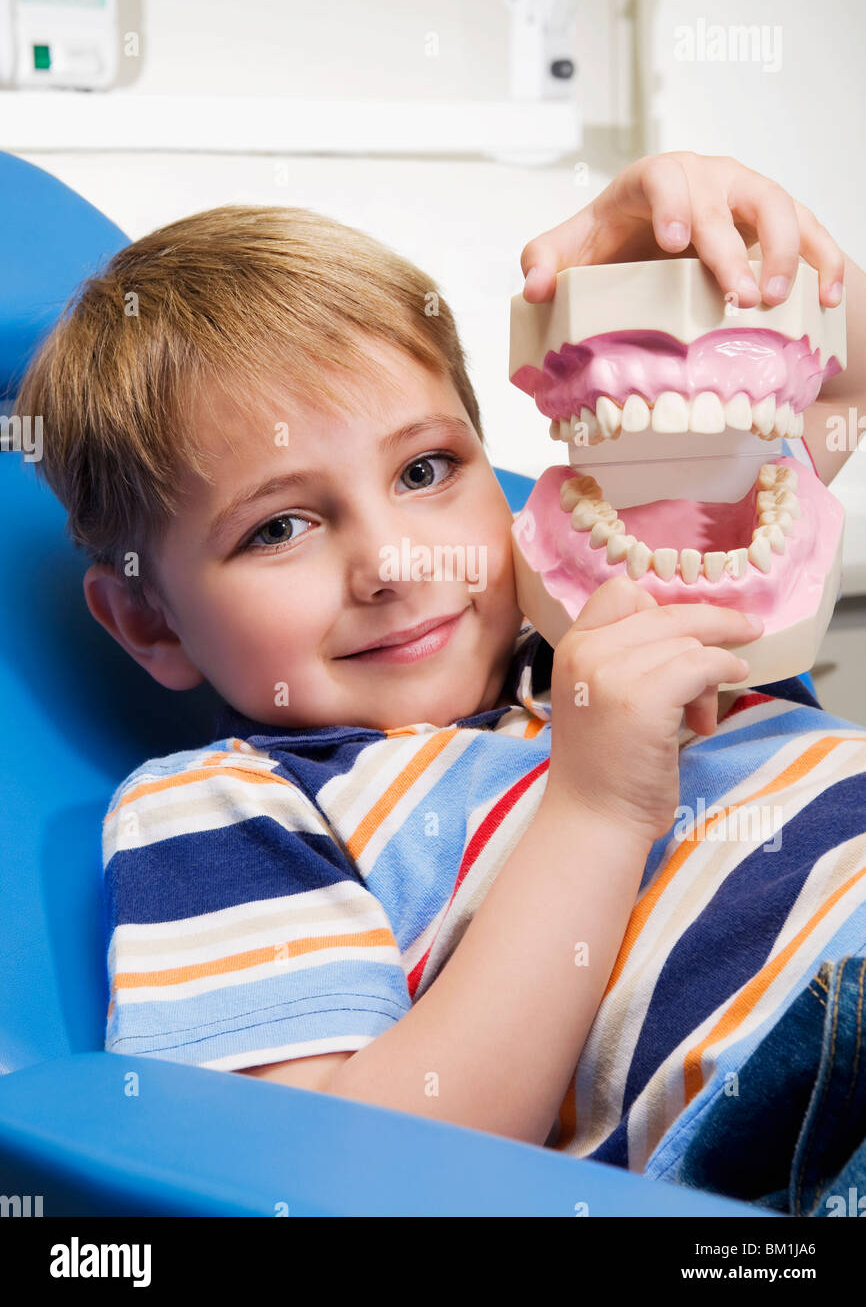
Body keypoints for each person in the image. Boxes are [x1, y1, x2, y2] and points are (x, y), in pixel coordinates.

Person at [13, 153, 866, 1201]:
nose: (396, 563)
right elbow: (338, 1173)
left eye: (425, 470)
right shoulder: (231, 807)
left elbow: (830, 385)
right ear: (148, 617)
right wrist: (593, 811)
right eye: (278, 527)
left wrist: (688, 264)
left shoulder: (614, 577)